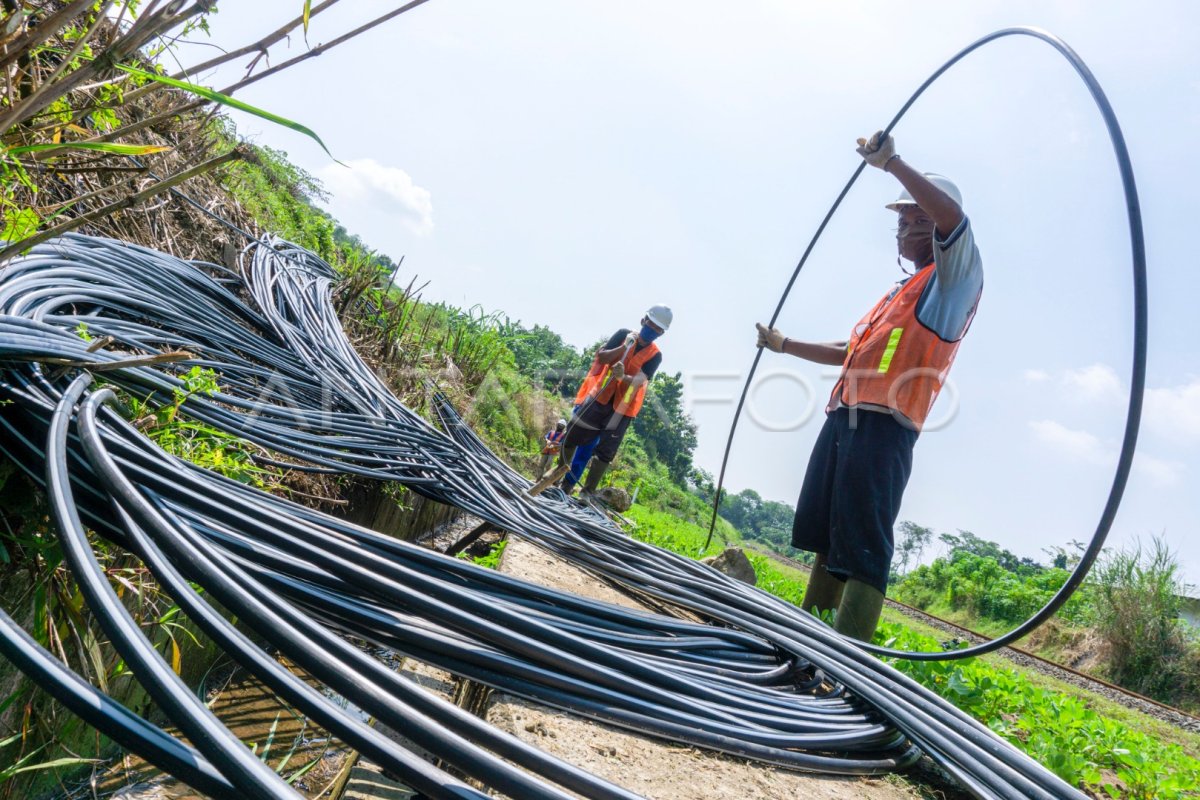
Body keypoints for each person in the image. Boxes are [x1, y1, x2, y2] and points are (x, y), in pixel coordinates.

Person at [755, 131, 982, 642]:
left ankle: (847, 660)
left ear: (934, 226)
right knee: (829, 534)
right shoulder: (901, 291)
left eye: (914, 220)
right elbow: (851, 349)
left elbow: (954, 220)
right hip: (846, 416)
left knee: (863, 543)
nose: (903, 229)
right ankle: (810, 642)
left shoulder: (954, 280)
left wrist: (892, 164)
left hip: (885, 425)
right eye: (900, 222)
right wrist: (784, 345)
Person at [528, 305, 672, 496]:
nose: (652, 329)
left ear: (661, 333)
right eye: (650, 324)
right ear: (643, 320)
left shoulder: (655, 356)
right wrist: (624, 347)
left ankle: (586, 492)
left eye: (657, 329)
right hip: (600, 397)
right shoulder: (623, 335)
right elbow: (602, 357)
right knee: (571, 434)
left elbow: (640, 380)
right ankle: (557, 476)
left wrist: (623, 377)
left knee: (605, 451)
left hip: (623, 408)